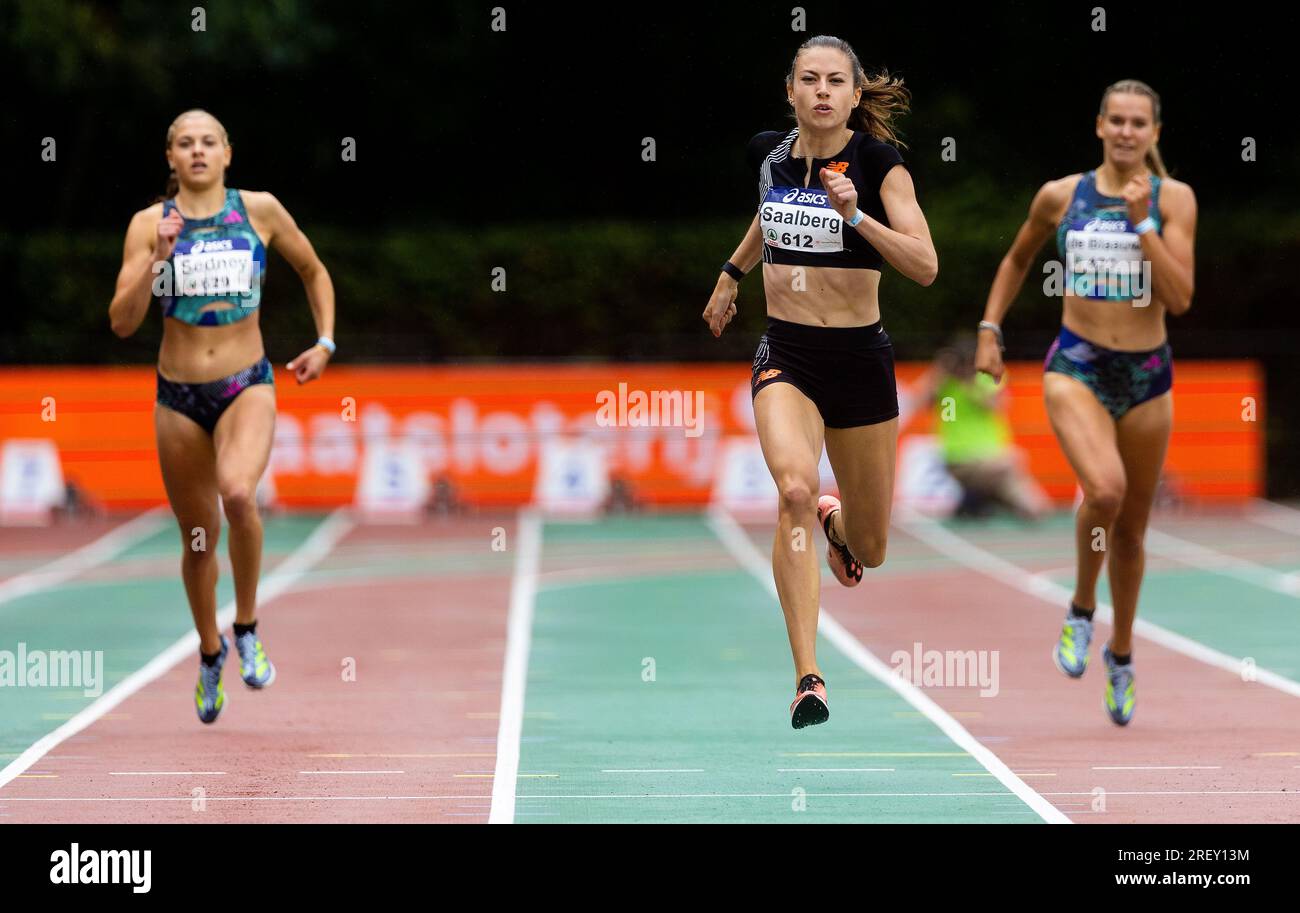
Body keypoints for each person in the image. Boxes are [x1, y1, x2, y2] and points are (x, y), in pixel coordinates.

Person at [702, 35, 937, 729]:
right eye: (811, 80)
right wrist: (731, 273)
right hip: (789, 353)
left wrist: (856, 215)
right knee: (793, 489)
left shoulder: (878, 164)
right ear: (791, 90)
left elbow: (924, 265)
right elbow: (767, 215)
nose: (824, 92)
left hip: (860, 359)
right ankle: (809, 676)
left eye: (838, 81)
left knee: (873, 547)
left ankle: (838, 526)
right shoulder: (768, 155)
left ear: (856, 95)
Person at [974, 80, 1196, 725]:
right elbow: (1017, 259)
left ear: (1154, 133)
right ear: (1099, 125)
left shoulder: (1173, 199)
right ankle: (1079, 608)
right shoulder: (1060, 195)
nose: (1127, 132)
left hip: (1148, 374)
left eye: (1139, 123)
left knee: (1131, 530)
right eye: (1117, 121)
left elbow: (1180, 298)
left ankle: (1120, 654)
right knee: (1103, 490)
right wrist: (990, 329)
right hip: (1078, 365)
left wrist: (1144, 226)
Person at [109, 109, 338, 724]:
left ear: (227, 153)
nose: (198, 151)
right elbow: (124, 321)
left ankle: (246, 625)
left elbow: (314, 270)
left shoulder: (259, 210)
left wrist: (326, 342)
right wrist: (160, 255)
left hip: (247, 384)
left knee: (239, 494)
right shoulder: (148, 225)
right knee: (198, 536)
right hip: (178, 396)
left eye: (209, 141)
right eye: (185, 144)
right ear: (171, 158)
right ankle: (209, 653)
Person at [922, 335, 1046, 521]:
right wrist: (939, 372)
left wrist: (968, 383)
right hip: (960, 456)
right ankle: (981, 498)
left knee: (1034, 507)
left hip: (990, 455)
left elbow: (996, 404)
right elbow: (924, 401)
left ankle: (977, 499)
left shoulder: (987, 378)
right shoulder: (946, 382)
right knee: (1011, 466)